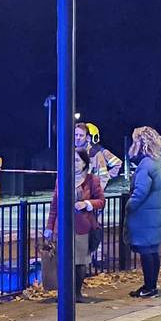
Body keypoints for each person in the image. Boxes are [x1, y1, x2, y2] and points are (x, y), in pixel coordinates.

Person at [43, 149, 105, 302]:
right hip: (62, 227)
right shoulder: (62, 179)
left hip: (82, 227)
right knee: (62, 261)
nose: (74, 164)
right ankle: (63, 294)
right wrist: (49, 227)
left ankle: (77, 293)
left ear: (85, 163)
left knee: (79, 261)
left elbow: (101, 201)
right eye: (72, 160)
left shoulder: (92, 180)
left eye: (77, 160)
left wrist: (87, 203)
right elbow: (54, 204)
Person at [125, 127, 161, 298]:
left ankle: (149, 287)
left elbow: (141, 191)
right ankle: (151, 285)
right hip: (154, 216)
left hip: (144, 217)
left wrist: (129, 205)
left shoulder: (145, 165)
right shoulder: (157, 163)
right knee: (152, 251)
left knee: (146, 252)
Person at [76, 123, 122, 190]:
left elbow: (117, 164)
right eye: (76, 135)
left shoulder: (98, 153)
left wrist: (107, 178)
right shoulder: (72, 152)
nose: (78, 138)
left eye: (81, 135)